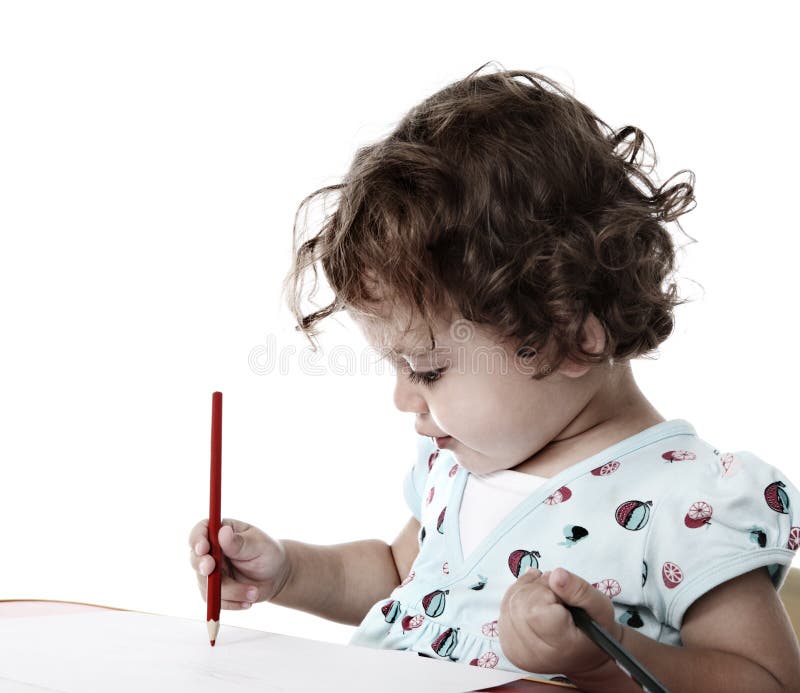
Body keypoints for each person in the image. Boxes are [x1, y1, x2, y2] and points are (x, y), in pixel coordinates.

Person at [188, 63, 800, 690]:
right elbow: (400, 576)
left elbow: (765, 681)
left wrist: (604, 651)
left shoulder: (688, 500)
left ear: (567, 336)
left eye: (426, 370)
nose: (403, 399)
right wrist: (286, 572)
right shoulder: (462, 465)